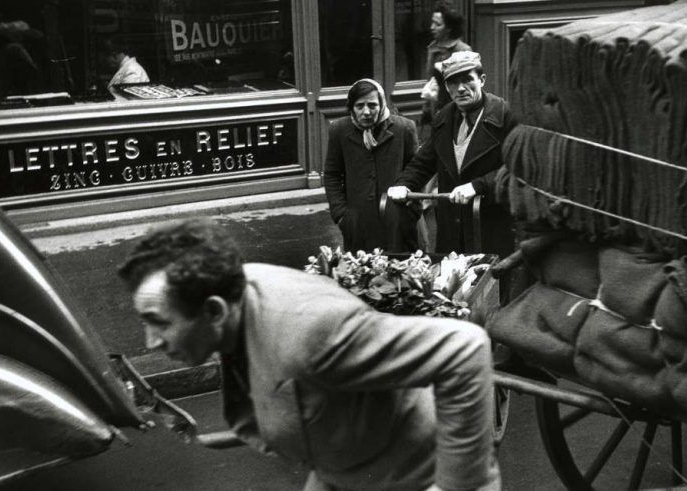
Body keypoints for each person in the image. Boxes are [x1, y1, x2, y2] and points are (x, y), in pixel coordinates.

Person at [119, 218, 501, 491]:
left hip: (413, 475)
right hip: (344, 464)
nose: (151, 341)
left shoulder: (311, 333)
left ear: (215, 311)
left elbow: (464, 348)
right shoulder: (232, 285)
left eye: (159, 322)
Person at [388, 51, 517, 261]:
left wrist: (479, 185)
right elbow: (425, 161)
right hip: (452, 227)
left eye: (467, 80)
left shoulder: (505, 115)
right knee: (453, 287)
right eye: (452, 83)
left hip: (490, 224)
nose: (460, 89)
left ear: (482, 80)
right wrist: (405, 184)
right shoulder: (444, 117)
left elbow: (518, 168)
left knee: (490, 287)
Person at [323, 78, 420, 252]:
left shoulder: (404, 129)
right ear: (351, 107)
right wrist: (341, 215)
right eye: (359, 106)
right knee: (363, 274)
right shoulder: (339, 130)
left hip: (397, 220)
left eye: (372, 105)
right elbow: (332, 174)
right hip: (358, 223)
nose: (366, 112)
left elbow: (417, 172)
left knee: (401, 271)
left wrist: (411, 214)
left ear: (382, 104)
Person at [422, 1, 471, 122]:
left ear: (448, 28)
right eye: (432, 22)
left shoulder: (462, 50)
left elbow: (468, 85)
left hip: (456, 113)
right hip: (436, 111)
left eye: (437, 24)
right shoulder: (433, 48)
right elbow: (430, 81)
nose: (432, 27)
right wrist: (426, 107)